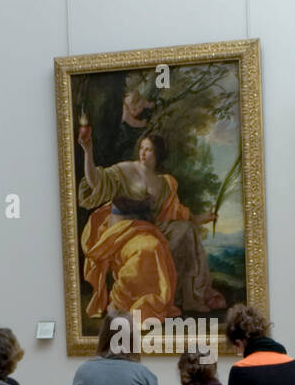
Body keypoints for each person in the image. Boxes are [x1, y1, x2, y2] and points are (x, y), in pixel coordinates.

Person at [78, 126, 221, 320]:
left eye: (149, 150)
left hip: (148, 228)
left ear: (158, 154)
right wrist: (88, 151)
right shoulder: (126, 169)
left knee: (186, 231)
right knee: (150, 247)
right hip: (122, 232)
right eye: (142, 148)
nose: (143, 153)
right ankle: (122, 302)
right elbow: (96, 182)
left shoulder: (165, 183)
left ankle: (193, 296)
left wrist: (200, 218)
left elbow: (176, 212)